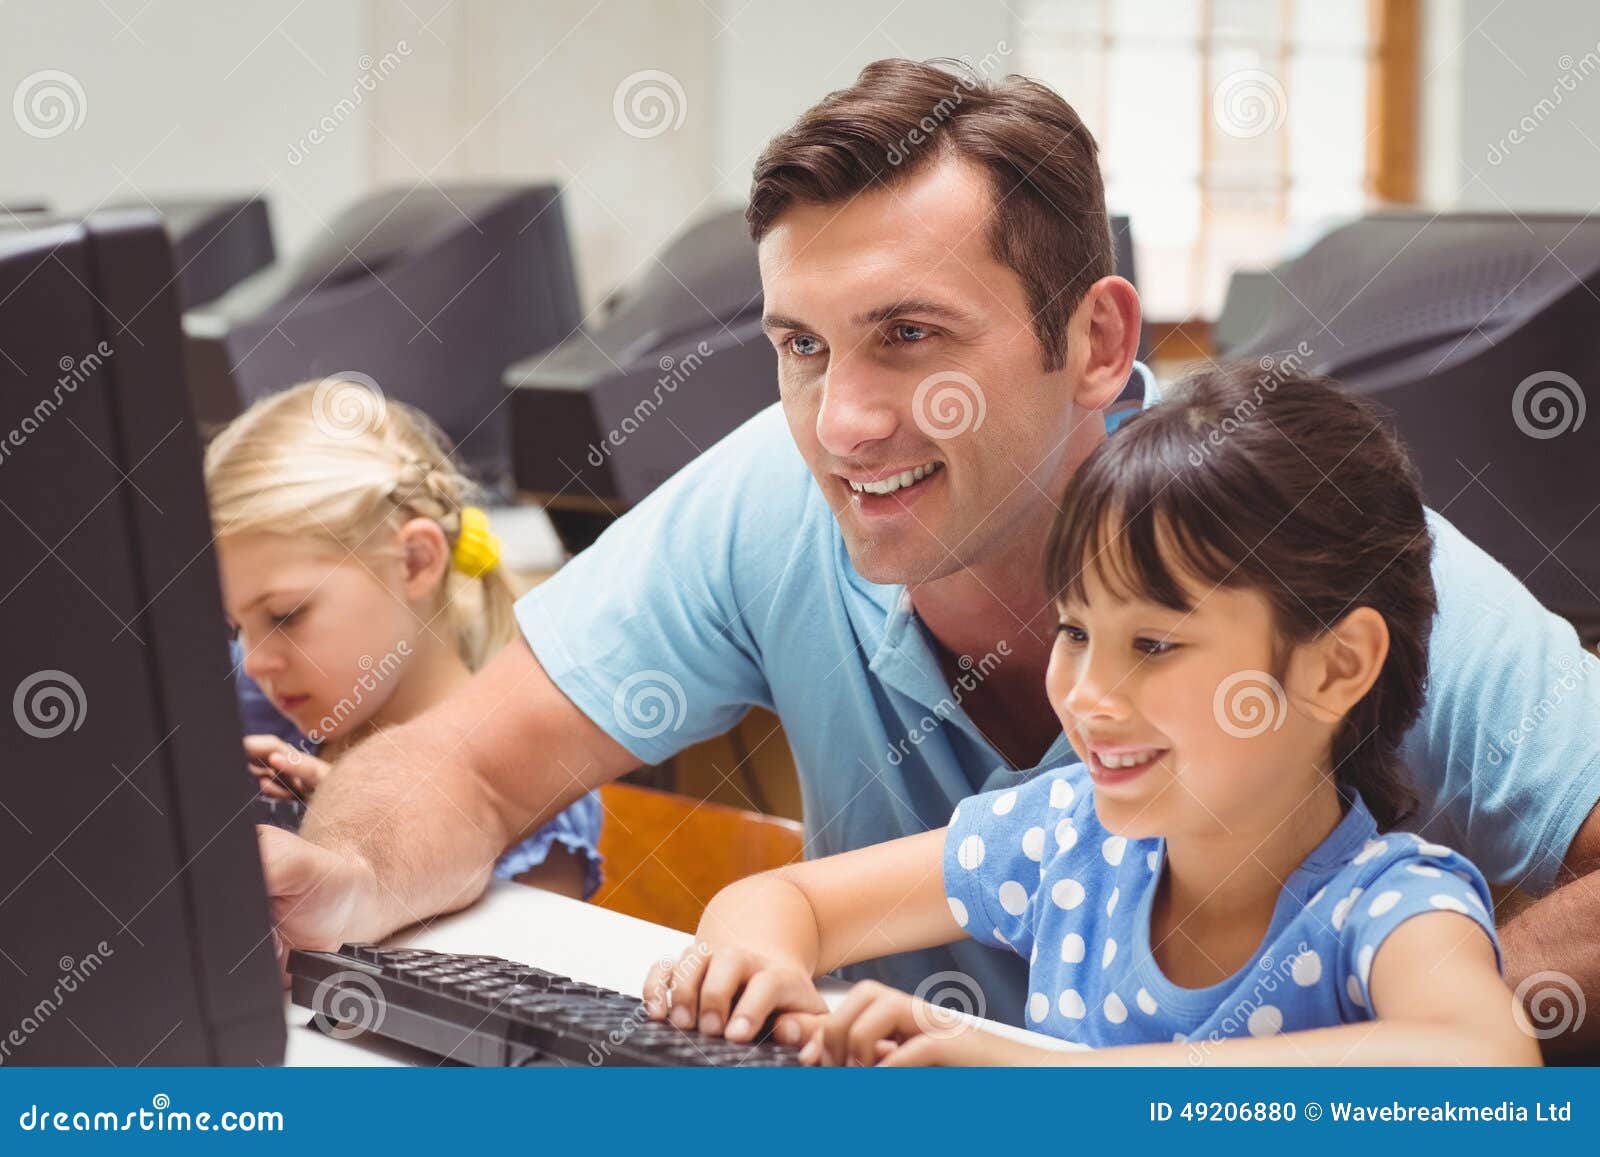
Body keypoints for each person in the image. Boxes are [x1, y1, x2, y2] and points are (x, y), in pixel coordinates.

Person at [257, 59, 1600, 1052]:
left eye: (911, 336)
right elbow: (471, 762)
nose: (840, 424)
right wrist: (352, 875)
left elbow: (1463, 1051)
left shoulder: (1309, 560)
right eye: (800, 346)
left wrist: (1387, 1016)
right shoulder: (767, 502)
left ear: (1096, 342)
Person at [639, 368, 1539, 1065]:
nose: (1085, 695)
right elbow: (783, 897)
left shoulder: (1391, 905)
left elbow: (1482, 1066)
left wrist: (1043, 1080)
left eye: (1153, 644)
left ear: (1336, 666)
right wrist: (763, 972)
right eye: (1075, 630)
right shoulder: (1067, 839)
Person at [206, 380, 602, 899]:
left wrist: (371, 837)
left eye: (286, 615)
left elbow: (510, 974)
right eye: (235, 625)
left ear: (415, 562)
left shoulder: (534, 779)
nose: (255, 659)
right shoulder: (257, 699)